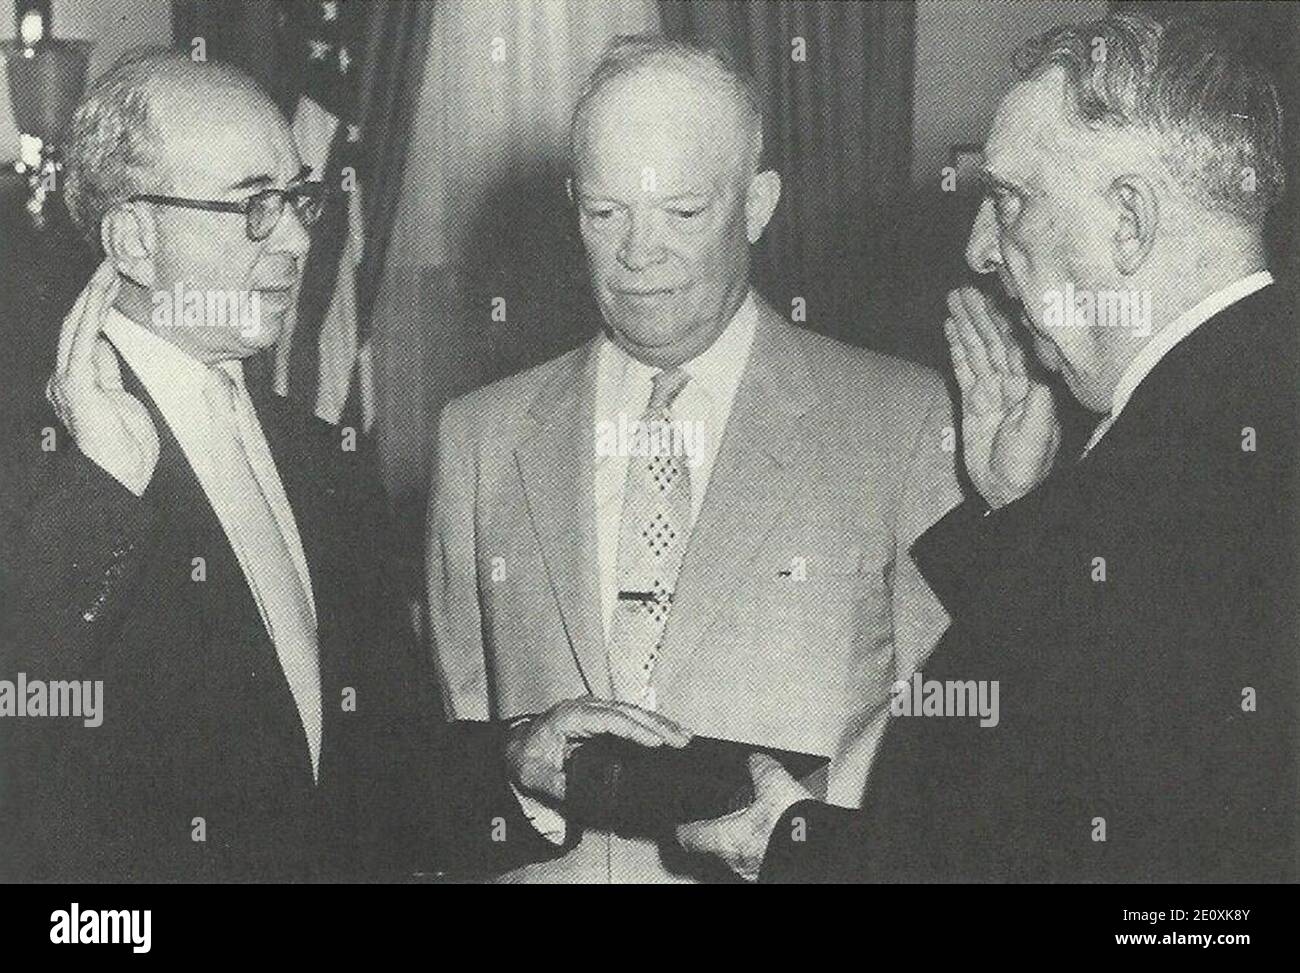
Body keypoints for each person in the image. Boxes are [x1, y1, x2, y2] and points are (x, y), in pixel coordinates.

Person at [0, 49, 689, 883]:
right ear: (135, 239)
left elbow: (371, 779)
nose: (297, 237)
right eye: (255, 204)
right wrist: (101, 492)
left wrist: (519, 764)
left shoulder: (318, 456)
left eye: (297, 198)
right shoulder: (38, 457)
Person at [677, 10, 1298, 883]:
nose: (978, 250)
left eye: (1009, 200)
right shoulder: (1224, 414)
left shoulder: (1179, 469)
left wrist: (792, 846)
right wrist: (1022, 512)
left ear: (1129, 220)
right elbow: (1099, 748)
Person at [427, 37, 960, 882]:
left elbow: (942, 744)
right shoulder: (478, 438)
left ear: (756, 205)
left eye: (682, 212)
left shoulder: (903, 421)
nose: (639, 253)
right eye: (605, 213)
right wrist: (514, 766)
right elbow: (454, 743)